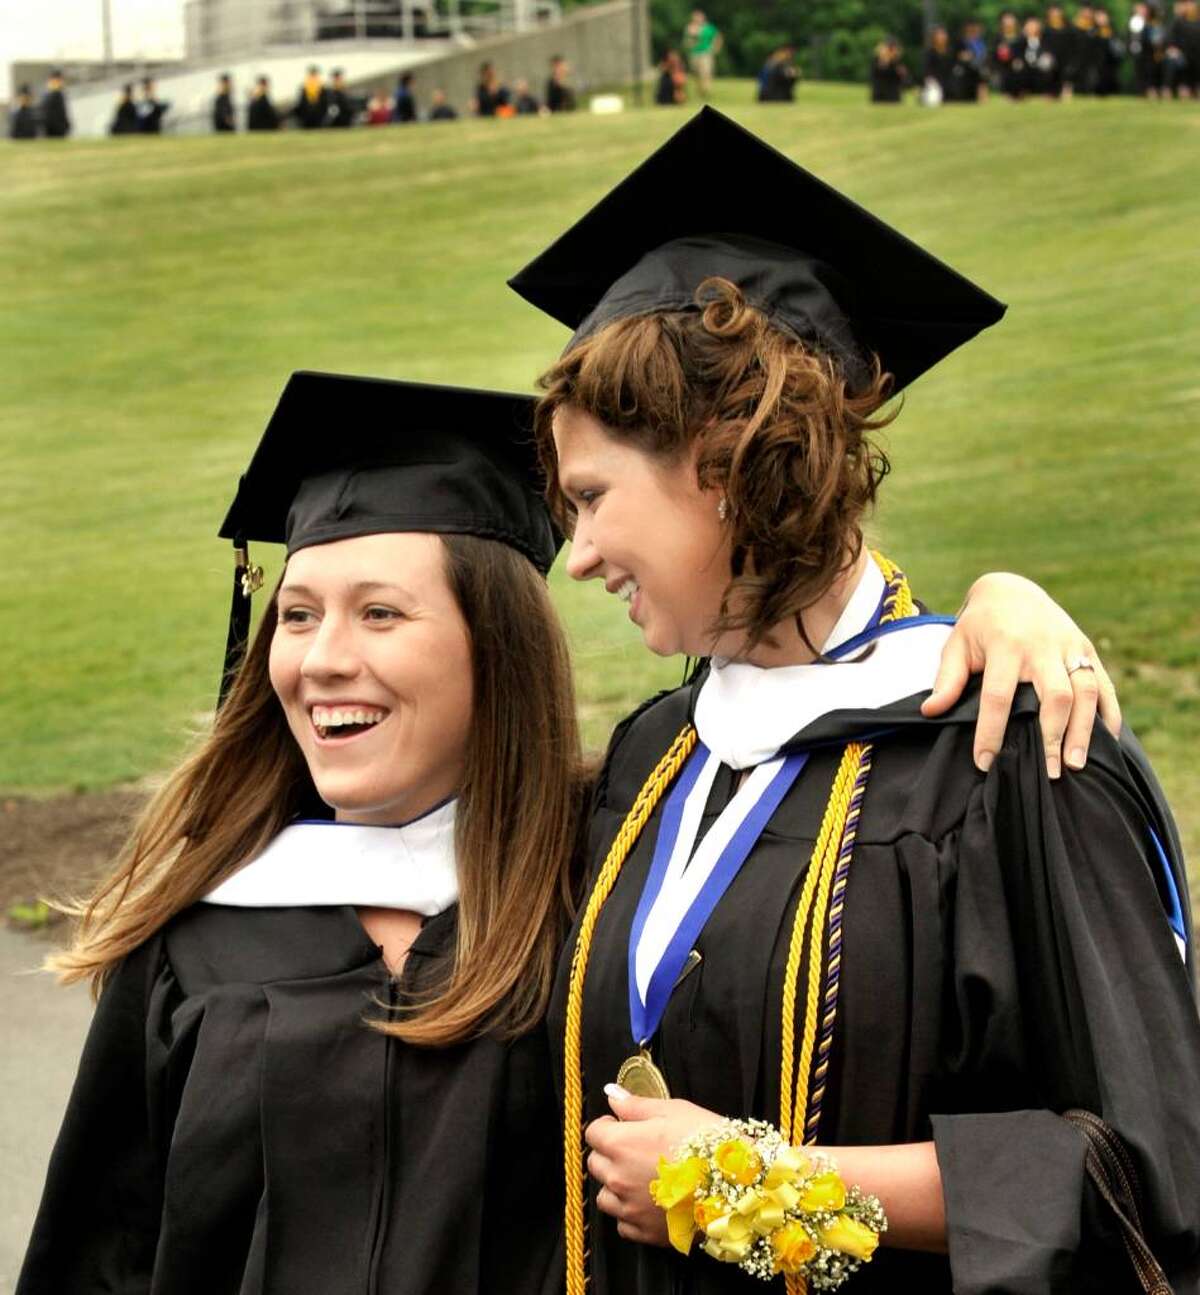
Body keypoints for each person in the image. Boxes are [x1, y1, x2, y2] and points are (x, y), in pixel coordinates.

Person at [508, 106, 1200, 1295]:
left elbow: (1144, 1170)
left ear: (724, 455)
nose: (574, 556)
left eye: (592, 497)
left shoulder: (1005, 746)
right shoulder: (653, 759)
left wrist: (757, 1186)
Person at [17, 374, 578, 1295]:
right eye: (299, 614)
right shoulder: (196, 940)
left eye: (381, 612)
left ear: (500, 643)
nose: (321, 660)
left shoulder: (607, 895)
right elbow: (101, 1255)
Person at [1129, 1, 1166, 95]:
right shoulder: (1136, 21)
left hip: (1151, 51)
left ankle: (1152, 89)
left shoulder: (1154, 23)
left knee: (1152, 71)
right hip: (1140, 52)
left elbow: (1158, 38)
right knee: (1140, 71)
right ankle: (1142, 90)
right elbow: (1132, 37)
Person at [683, 9, 722, 98]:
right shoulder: (690, 28)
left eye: (698, 17)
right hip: (694, 53)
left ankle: (706, 90)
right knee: (696, 73)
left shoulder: (709, 28)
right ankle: (700, 90)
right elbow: (687, 41)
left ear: (703, 18)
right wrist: (689, 43)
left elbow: (718, 37)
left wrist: (716, 48)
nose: (697, 19)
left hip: (706, 53)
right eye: (695, 17)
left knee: (706, 72)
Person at [991, 11, 1022, 95]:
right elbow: (993, 57)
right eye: (1006, 22)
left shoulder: (1021, 38)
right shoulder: (998, 39)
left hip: (1018, 68)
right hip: (1002, 69)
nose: (1009, 24)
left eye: (1011, 21)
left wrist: (1018, 61)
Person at [922, 25, 957, 101]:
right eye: (938, 35)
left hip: (950, 86)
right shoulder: (930, 53)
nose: (941, 37)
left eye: (943, 34)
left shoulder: (951, 53)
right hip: (935, 85)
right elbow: (926, 72)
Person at [40, 70, 70, 139]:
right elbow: (48, 115)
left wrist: (66, 125)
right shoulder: (50, 95)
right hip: (53, 131)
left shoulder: (59, 94)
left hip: (59, 130)